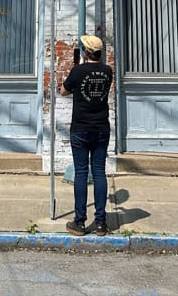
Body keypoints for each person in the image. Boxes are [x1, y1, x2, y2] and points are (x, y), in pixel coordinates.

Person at [60, 33, 113, 236]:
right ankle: (100, 223)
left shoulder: (78, 71)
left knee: (81, 174)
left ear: (85, 52)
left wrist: (77, 69)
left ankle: (80, 222)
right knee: (99, 172)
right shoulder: (107, 71)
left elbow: (63, 91)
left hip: (81, 128)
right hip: (101, 128)